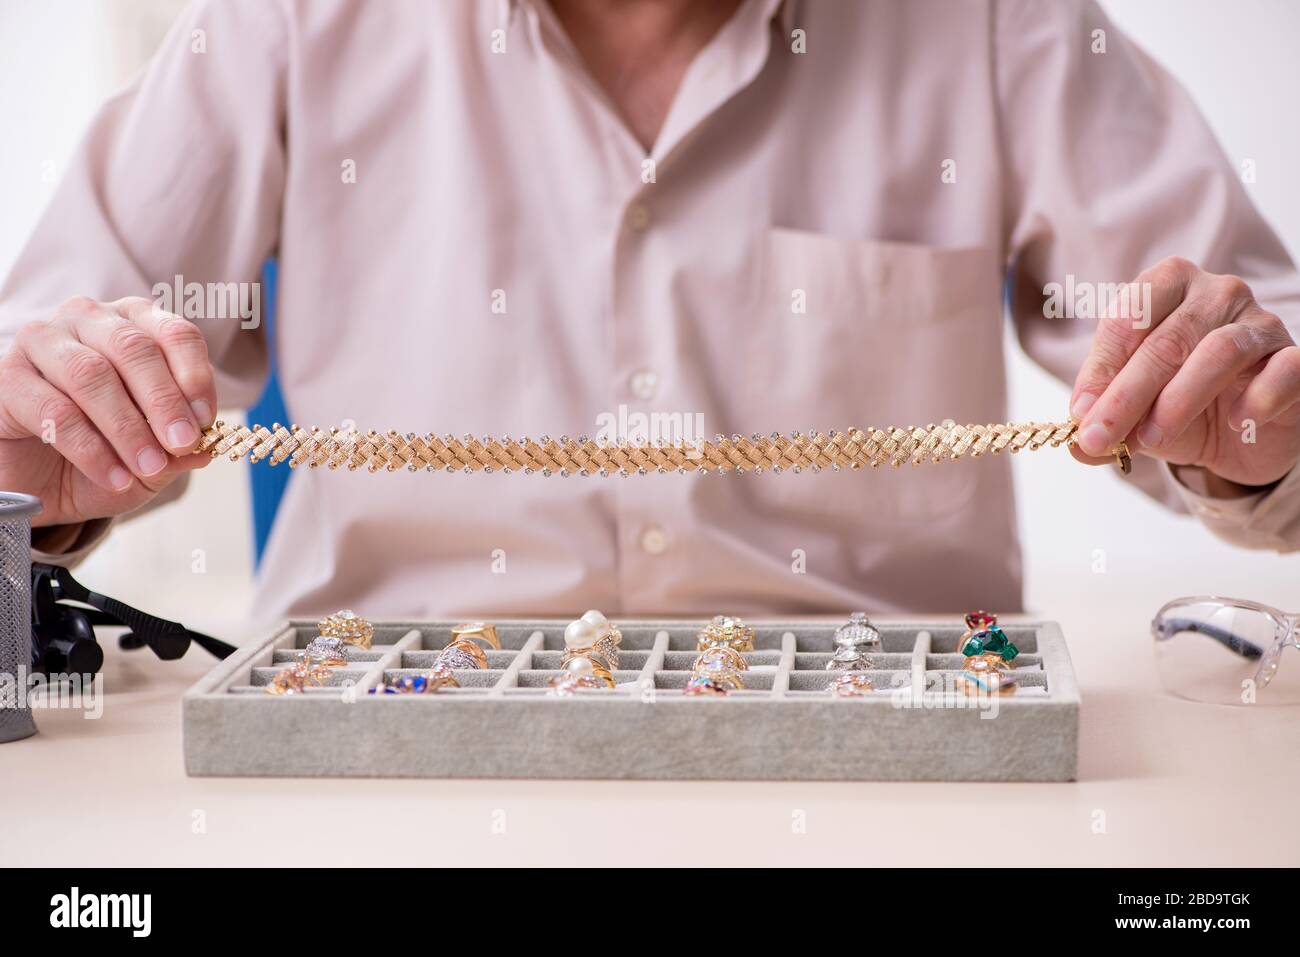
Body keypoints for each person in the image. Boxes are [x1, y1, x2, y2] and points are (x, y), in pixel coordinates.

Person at [1, 0, 1298, 621]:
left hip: (906, 791)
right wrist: (44, 451)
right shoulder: (286, 23)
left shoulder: (998, 25)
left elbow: (1264, 378)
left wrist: (1257, 427)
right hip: (382, 782)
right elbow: (43, 376)